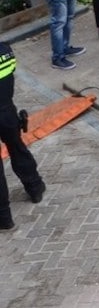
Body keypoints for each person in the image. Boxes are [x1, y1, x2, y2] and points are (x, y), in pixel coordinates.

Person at [0, 42, 46, 230]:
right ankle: (34, 188)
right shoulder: (5, 50)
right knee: (17, 147)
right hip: (6, 111)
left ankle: (4, 218)